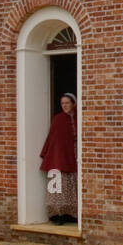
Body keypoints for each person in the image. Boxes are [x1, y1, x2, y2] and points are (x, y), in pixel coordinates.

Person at [41, 92, 78, 225]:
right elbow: (53, 138)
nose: (65, 106)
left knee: (72, 184)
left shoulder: (79, 118)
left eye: (67, 103)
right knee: (58, 186)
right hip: (60, 157)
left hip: (74, 156)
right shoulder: (58, 119)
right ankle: (58, 214)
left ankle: (71, 213)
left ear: (73, 104)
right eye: (62, 103)